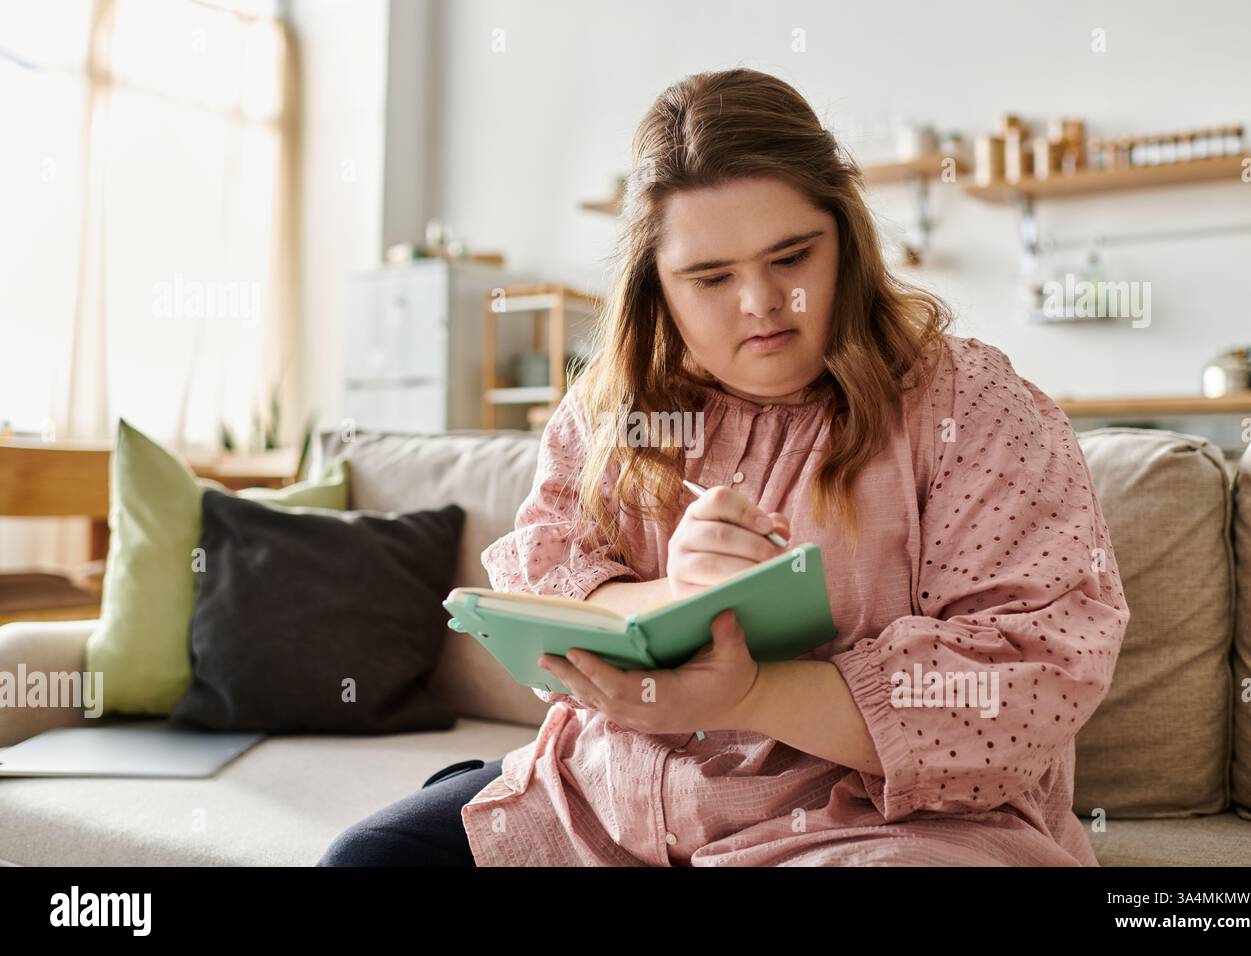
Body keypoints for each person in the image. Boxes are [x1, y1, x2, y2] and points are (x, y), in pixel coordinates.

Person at [320, 66, 1130, 868]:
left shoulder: (973, 404)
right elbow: (549, 589)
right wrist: (675, 596)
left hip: (884, 825)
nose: (762, 303)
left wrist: (752, 694)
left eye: (792, 257)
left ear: (846, 236)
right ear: (657, 289)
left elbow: (1025, 677)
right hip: (610, 801)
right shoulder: (614, 412)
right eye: (710, 277)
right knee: (363, 861)